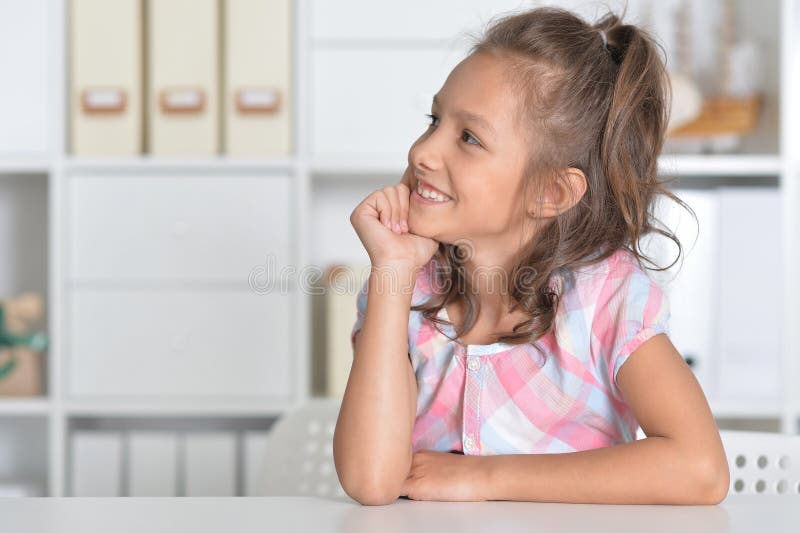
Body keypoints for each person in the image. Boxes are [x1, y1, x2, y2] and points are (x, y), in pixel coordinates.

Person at [333, 5, 729, 506]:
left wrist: (484, 478)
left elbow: (700, 469)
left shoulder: (605, 299)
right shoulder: (404, 289)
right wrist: (391, 269)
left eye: (469, 138)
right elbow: (371, 482)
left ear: (552, 193)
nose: (422, 152)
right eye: (434, 120)